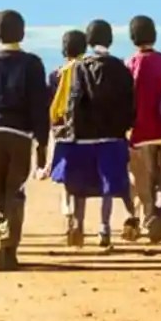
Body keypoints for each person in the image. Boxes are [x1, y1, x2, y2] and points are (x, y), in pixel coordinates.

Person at [0, 10, 49, 271]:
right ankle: (8, 252)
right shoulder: (33, 63)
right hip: (20, 135)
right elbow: (40, 106)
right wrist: (42, 143)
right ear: (22, 33)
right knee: (14, 192)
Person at [65, 20, 136, 249]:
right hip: (112, 136)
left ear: (88, 41)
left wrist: (73, 132)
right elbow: (130, 103)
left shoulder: (81, 67)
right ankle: (104, 228)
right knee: (108, 185)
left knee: (80, 186)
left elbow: (75, 100)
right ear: (111, 40)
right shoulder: (121, 68)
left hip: (84, 136)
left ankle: (78, 225)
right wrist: (124, 127)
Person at [124, 15, 161, 244]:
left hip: (140, 133)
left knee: (142, 182)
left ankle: (149, 217)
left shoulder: (129, 65)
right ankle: (159, 210)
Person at [45, 30, 88, 246]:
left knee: (65, 182)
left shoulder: (56, 74)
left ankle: (69, 218)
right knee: (80, 181)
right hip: (83, 132)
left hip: (61, 132)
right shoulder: (88, 70)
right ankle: (79, 221)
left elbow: (49, 106)